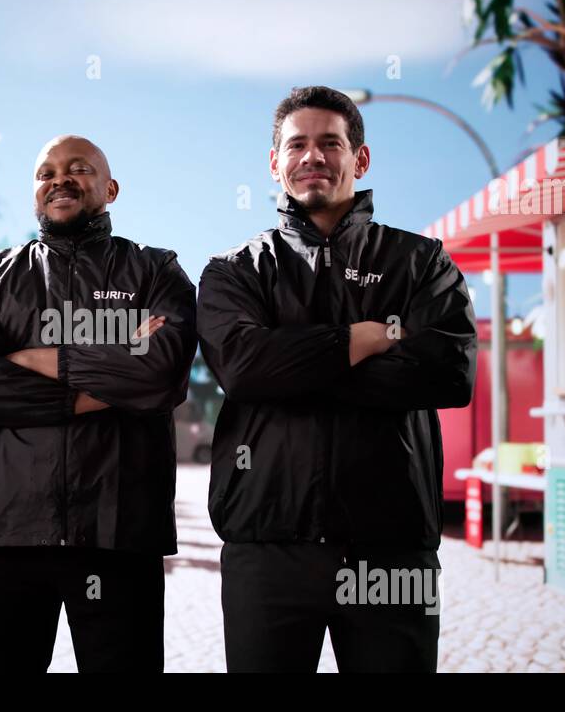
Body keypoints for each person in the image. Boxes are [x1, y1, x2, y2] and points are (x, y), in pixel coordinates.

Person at [197, 86, 477, 672]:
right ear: (274, 162)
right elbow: (243, 368)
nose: (313, 156)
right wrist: (362, 340)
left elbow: (448, 372)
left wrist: (290, 364)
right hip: (266, 544)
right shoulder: (232, 272)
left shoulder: (421, 262)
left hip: (391, 546)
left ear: (361, 159)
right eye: (296, 144)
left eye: (330, 143)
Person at [0, 135, 197, 672]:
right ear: (34, 192)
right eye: (46, 172)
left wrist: (40, 359)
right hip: (5, 534)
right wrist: (105, 379)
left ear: (110, 188)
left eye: (79, 168)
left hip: (120, 534)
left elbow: (160, 374)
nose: (60, 179)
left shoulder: (155, 270)